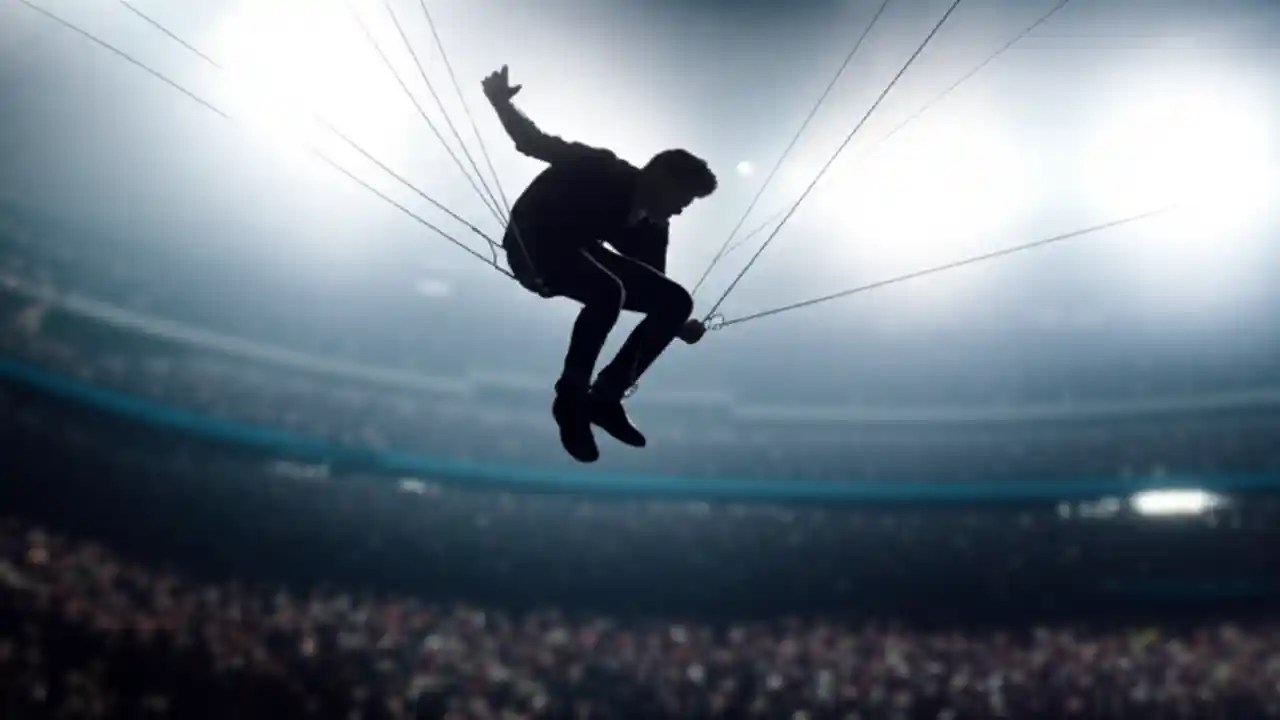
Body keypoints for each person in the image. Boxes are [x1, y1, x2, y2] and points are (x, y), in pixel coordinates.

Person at [482, 65, 717, 463]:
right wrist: (502, 102)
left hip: (581, 255)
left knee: (675, 300)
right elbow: (533, 142)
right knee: (609, 291)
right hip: (532, 244)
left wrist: (676, 325)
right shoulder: (600, 167)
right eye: (683, 197)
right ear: (658, 176)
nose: (680, 210)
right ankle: (570, 399)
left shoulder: (651, 228)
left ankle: (605, 397)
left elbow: (652, 292)